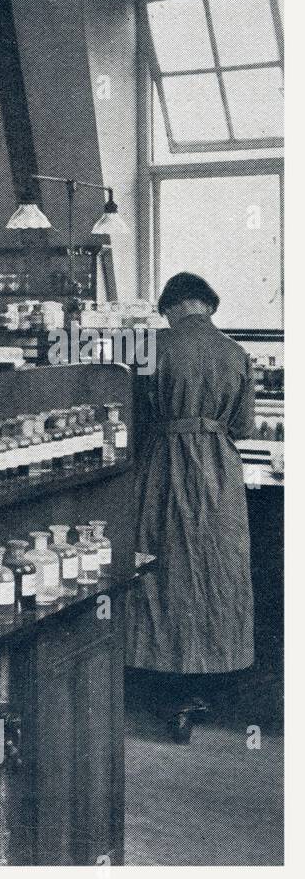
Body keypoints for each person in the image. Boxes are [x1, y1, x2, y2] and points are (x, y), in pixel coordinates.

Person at [128, 272, 256, 743]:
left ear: (172, 306)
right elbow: (243, 428)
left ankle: (164, 687)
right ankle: (199, 686)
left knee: (162, 574)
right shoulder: (236, 353)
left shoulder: (148, 346)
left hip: (161, 464)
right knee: (211, 575)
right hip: (218, 472)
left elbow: (132, 416)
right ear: (206, 305)